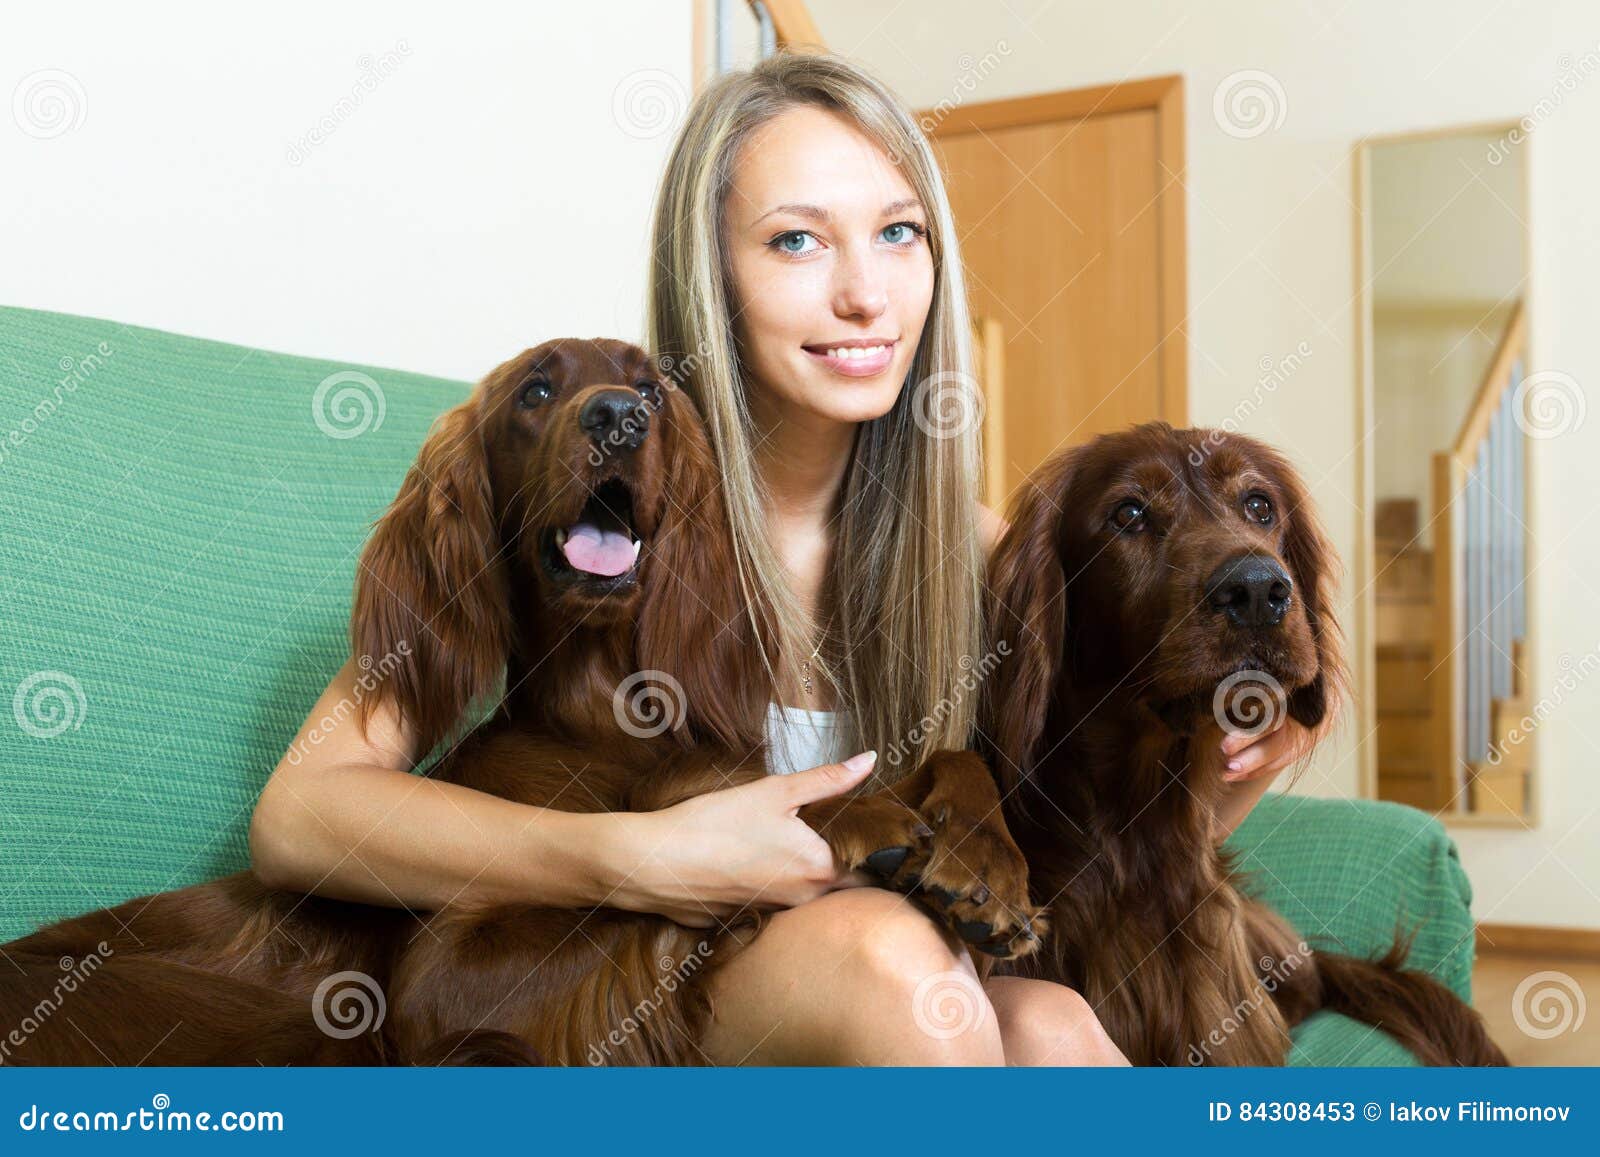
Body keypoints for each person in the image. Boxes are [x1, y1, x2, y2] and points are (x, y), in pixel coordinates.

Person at [249, 50, 1311, 1066]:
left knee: (1056, 1028)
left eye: (899, 234)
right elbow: (302, 814)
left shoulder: (972, 553)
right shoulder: (606, 505)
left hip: (846, 987)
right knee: (902, 967)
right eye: (796, 242)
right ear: (709, 273)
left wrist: (1247, 759)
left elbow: (1105, 845)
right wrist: (634, 858)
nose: (866, 295)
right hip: (618, 981)